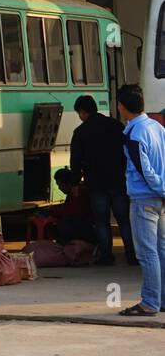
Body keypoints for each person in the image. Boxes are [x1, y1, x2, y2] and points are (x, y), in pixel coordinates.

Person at [70, 94, 136, 266]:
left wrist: (75, 182)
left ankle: (106, 255)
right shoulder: (116, 125)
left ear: (83, 112)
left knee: (101, 221)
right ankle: (131, 254)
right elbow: (127, 152)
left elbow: (75, 161)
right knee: (124, 219)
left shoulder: (80, 132)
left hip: (96, 183)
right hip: (118, 181)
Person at [117, 84, 165, 317]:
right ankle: (161, 299)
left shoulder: (133, 134)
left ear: (122, 107)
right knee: (161, 250)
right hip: (160, 199)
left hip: (144, 198)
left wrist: (159, 187)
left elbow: (144, 170)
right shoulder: (157, 127)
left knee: (147, 254)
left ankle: (149, 302)